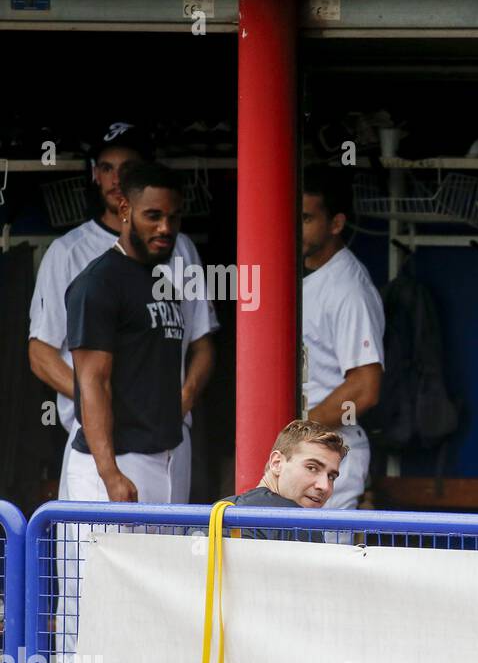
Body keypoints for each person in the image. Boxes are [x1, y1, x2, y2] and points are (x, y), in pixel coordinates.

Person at [28, 121, 216, 502]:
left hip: (169, 442)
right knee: (100, 558)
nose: (116, 178)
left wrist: (178, 401)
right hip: (107, 447)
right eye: (107, 167)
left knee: (165, 558)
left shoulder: (176, 255)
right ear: (96, 176)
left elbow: (203, 340)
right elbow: (45, 355)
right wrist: (114, 415)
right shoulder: (79, 261)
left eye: (127, 168)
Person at [301, 166, 385, 509]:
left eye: (306, 218)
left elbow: (365, 388)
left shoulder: (349, 287)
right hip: (309, 452)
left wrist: (299, 432)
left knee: (326, 560)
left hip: (335, 452)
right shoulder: (309, 275)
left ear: (335, 224)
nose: (294, 227)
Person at [224, 419, 348, 509]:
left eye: (331, 477)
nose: (324, 486)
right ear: (276, 463)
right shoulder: (298, 524)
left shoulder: (219, 510)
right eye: (312, 468)